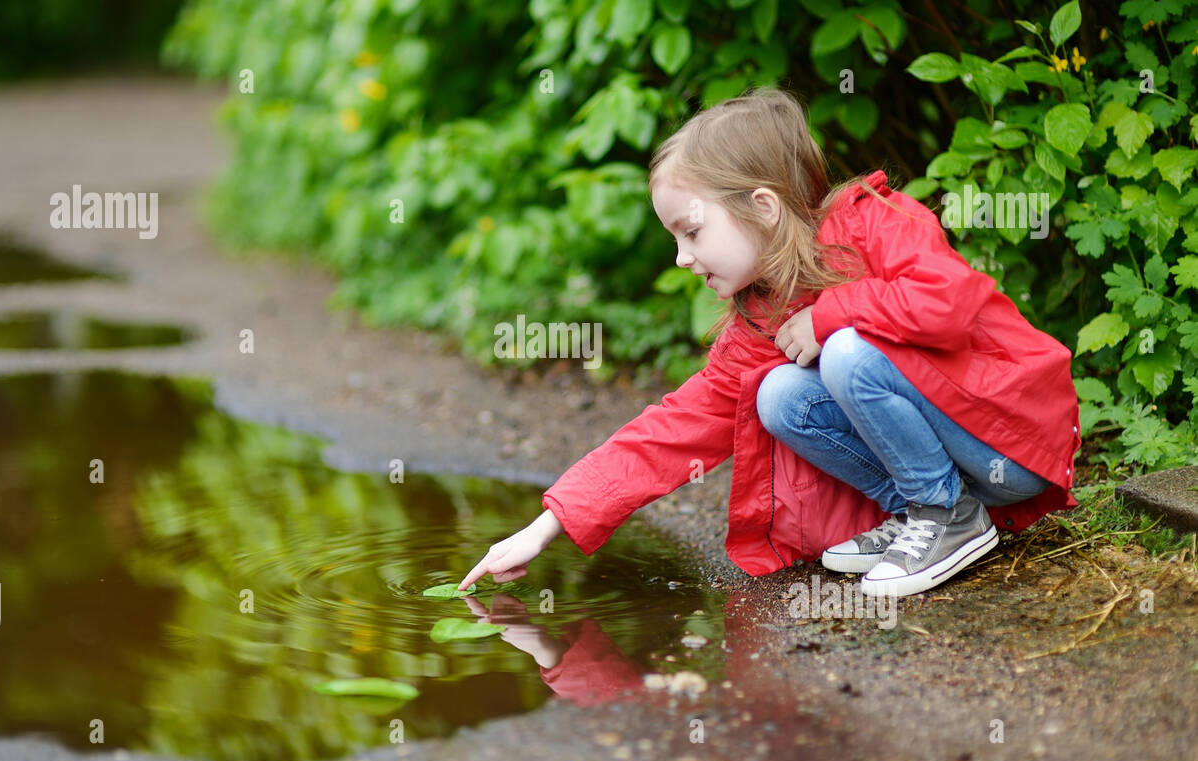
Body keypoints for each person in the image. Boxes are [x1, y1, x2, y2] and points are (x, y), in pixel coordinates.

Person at [459, 87, 1080, 599]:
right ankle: (920, 514)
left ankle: (947, 516)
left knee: (844, 352)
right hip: (966, 465)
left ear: (763, 206)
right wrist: (549, 525)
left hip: (1010, 440)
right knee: (779, 394)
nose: (682, 258)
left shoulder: (874, 221)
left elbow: (947, 303)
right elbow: (675, 428)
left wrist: (832, 314)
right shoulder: (764, 313)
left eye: (692, 231)